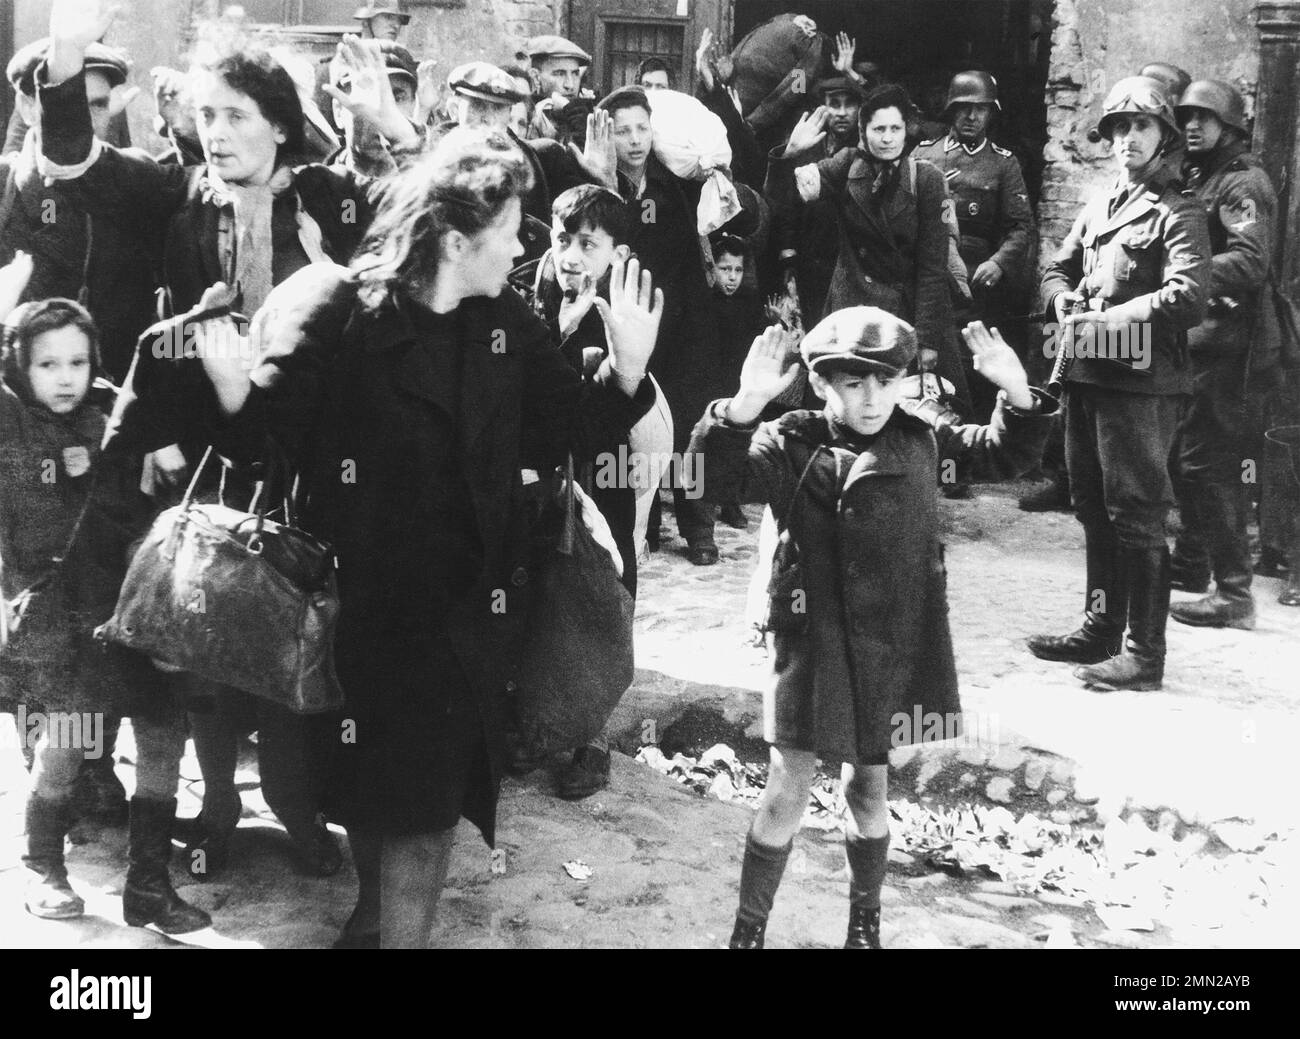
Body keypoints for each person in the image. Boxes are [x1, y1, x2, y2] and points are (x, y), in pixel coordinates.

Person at [188, 128, 660, 949]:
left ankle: (394, 935)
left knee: (427, 804)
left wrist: (624, 373)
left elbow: (561, 433)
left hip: (466, 610)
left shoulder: (505, 321)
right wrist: (233, 399)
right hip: (352, 605)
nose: (525, 246)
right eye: (512, 228)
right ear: (454, 238)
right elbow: (268, 447)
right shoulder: (344, 311)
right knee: (366, 789)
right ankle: (372, 912)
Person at [36, 0, 420, 875]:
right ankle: (213, 802)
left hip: (313, 455)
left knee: (301, 630)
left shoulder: (327, 198)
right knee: (205, 636)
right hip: (205, 459)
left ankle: (296, 805)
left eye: (236, 116)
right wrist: (64, 54)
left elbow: (418, 233)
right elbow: (76, 169)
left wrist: (388, 125)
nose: (214, 133)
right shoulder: (178, 199)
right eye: (205, 115)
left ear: (281, 125)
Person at [689, 309, 1055, 948]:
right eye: (851, 382)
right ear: (823, 382)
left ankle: (865, 927)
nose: (870, 398)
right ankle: (747, 936)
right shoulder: (788, 442)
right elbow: (710, 481)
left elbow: (1004, 455)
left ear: (904, 382)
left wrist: (1016, 394)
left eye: (885, 381)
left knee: (868, 787)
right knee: (786, 787)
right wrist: (743, 405)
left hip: (890, 641)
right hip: (811, 639)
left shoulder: (924, 439)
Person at [0, 283, 210, 934]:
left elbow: (153, 483)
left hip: (131, 600)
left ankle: (148, 884)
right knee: (65, 743)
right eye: (46, 363)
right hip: (58, 612)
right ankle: (43, 866)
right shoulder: (10, 417)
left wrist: (156, 445)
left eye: (77, 362)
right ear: (17, 366)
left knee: (161, 735)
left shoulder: (111, 409)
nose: (65, 377)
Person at [1028, 76, 1210, 692]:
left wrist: (1111, 316)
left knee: (1136, 513)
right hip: (1086, 374)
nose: (1128, 139)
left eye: (1141, 127)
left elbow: (1188, 296)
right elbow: (1056, 266)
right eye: (1118, 129)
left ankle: (1143, 654)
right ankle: (1099, 629)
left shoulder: (1178, 211)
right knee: (1091, 506)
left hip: (1142, 383)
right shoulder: (1102, 203)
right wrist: (1063, 304)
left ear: (1163, 138)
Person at [766, 83, 972, 413]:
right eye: (878, 129)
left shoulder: (928, 179)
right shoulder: (847, 165)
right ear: (864, 131)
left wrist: (928, 339)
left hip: (906, 314)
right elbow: (785, 199)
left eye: (895, 128)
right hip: (852, 312)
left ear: (907, 131)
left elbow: (933, 266)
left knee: (917, 413)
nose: (887, 138)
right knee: (846, 410)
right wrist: (788, 156)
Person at [1167, 81, 1279, 629]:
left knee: (1211, 466)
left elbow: (1251, 262)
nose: (1191, 126)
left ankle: (1235, 594)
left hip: (1234, 350)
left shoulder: (1242, 183)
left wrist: (1187, 276)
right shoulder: (1201, 175)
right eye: (1186, 116)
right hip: (1205, 344)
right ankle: (1189, 566)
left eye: (1204, 119)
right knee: (1188, 457)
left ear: (1231, 128)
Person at [597, 85, 722, 565]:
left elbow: (736, 213)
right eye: (623, 131)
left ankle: (697, 525)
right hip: (628, 325)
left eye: (641, 129)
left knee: (692, 425)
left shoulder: (677, 184)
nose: (634, 140)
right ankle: (640, 524)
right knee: (632, 424)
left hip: (684, 322)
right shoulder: (601, 186)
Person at [0, 39, 158, 384]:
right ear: (28, 108)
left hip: (112, 413)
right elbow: (49, 213)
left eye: (98, 105)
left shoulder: (136, 186)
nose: (82, 121)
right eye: (67, 106)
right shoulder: (6, 189)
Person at [913, 71, 1035, 424]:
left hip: (979, 282)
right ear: (951, 110)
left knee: (973, 363)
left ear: (990, 114)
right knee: (928, 359)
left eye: (980, 110)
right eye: (964, 108)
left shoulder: (1003, 162)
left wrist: (999, 263)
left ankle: (972, 445)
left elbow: (1020, 226)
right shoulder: (925, 154)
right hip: (931, 273)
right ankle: (934, 448)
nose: (971, 117)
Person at [525, 35, 594, 146]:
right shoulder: (524, 116)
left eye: (575, 73)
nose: (570, 85)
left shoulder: (589, 114)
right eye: (560, 74)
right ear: (536, 77)